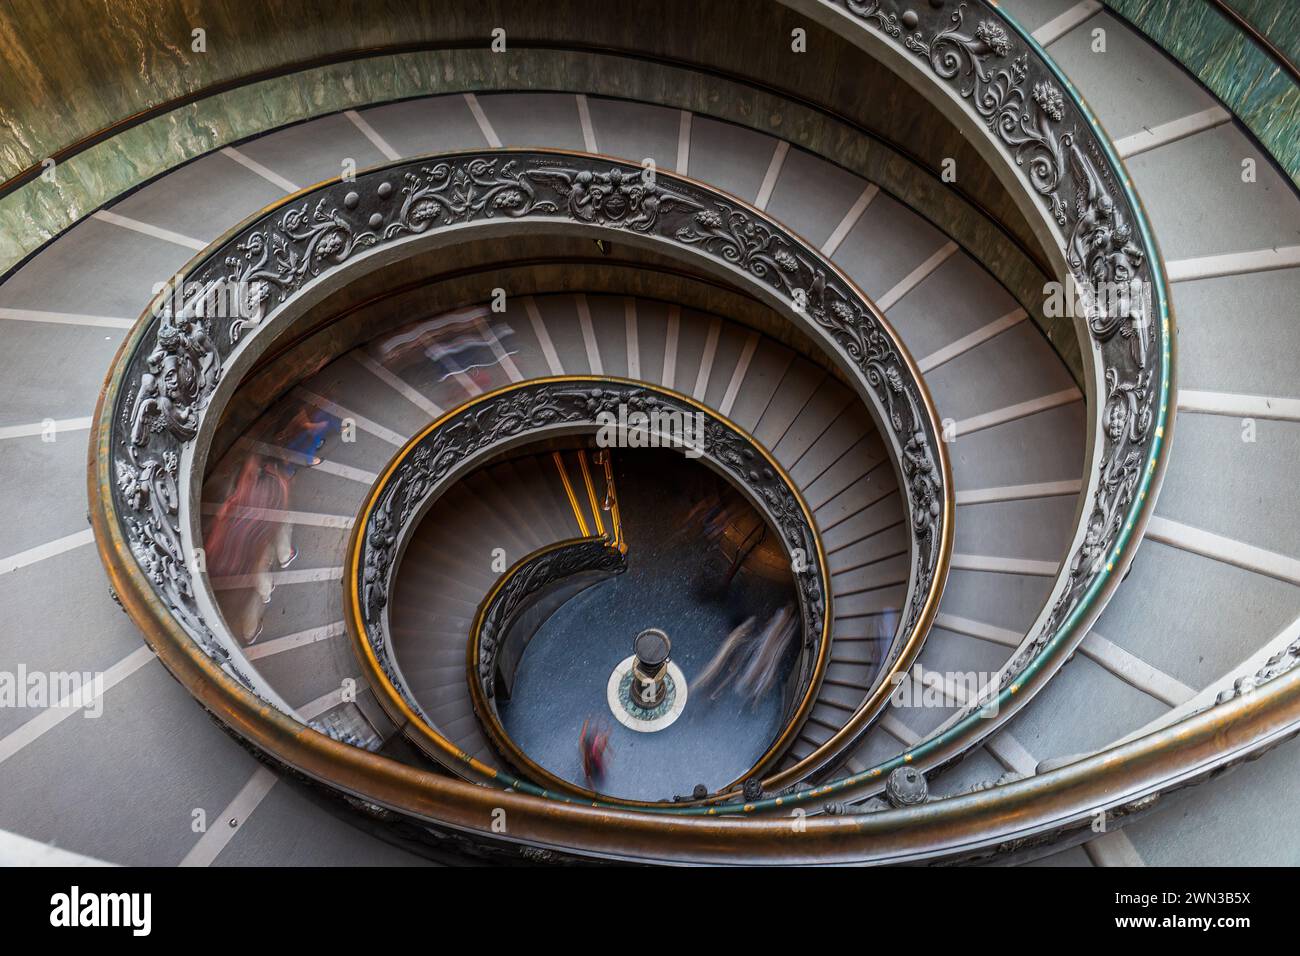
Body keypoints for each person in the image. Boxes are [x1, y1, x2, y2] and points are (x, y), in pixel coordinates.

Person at [579, 718, 612, 788]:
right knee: (592, 765)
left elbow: (584, 734)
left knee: (595, 763)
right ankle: (595, 776)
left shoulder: (595, 744)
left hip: (593, 756)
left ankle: (597, 774)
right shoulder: (591, 752)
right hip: (592, 757)